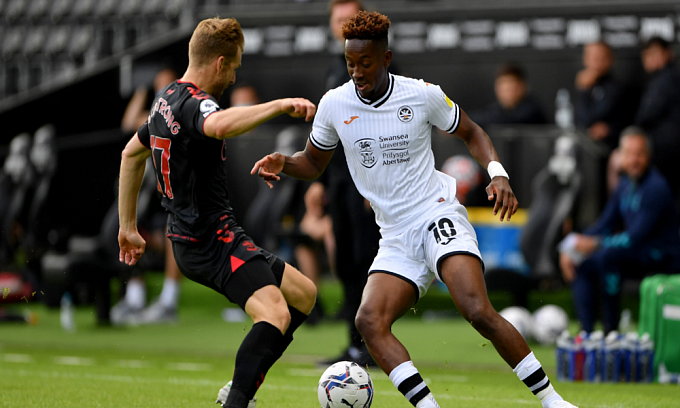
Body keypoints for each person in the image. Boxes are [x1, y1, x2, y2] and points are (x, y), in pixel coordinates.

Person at [252, 11, 577, 408]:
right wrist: (284, 162)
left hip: (436, 215)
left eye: (365, 62)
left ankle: (552, 400)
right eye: (350, 62)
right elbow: (313, 162)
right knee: (368, 321)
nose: (356, 72)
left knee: (476, 309)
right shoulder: (334, 103)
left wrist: (498, 173)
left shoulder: (421, 94)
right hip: (395, 235)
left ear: (386, 59)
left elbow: (472, 131)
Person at [117, 17, 317, 408]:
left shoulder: (165, 98)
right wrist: (279, 105)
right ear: (220, 62)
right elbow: (219, 124)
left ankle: (241, 385)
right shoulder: (196, 102)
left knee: (303, 295)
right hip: (210, 240)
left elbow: (130, 154)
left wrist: (128, 227)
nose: (234, 77)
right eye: (234, 67)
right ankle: (238, 399)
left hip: (198, 237)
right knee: (275, 314)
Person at [559, 127, 680, 334]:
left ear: (648, 156)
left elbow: (635, 237)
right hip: (635, 253)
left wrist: (593, 244)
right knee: (582, 264)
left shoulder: (656, 187)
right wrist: (570, 246)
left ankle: (611, 332)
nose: (634, 160)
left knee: (609, 256)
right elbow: (605, 223)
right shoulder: (624, 184)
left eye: (639, 154)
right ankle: (587, 335)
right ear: (620, 156)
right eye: (629, 154)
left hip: (662, 256)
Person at [316, 0, 380, 366]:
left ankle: (373, 344)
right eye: (338, 18)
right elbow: (327, 131)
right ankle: (355, 345)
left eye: (349, 18)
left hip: (365, 185)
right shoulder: (333, 67)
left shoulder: (379, 64)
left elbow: (384, 125)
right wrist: (319, 183)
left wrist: (374, 180)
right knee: (345, 264)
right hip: (338, 181)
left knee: (367, 262)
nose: (342, 24)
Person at [115, 67, 183, 325]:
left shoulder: (182, 109)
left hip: (180, 192)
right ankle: (135, 298)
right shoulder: (155, 113)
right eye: (158, 86)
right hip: (155, 192)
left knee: (173, 230)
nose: (162, 91)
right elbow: (128, 122)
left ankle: (169, 301)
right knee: (129, 228)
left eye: (166, 85)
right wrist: (143, 89)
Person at [634, 36, 680, 199]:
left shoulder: (666, 79)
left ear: (668, 54)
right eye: (646, 54)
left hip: (666, 152)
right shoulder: (660, 79)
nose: (649, 58)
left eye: (654, 53)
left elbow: (645, 115)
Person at [574, 41, 628, 151]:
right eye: (594, 58)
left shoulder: (615, 88)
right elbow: (579, 119)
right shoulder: (585, 86)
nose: (597, 63)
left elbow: (591, 117)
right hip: (584, 148)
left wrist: (585, 89)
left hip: (609, 149)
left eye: (601, 58)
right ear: (585, 59)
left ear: (610, 59)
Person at [468, 63, 547, 128]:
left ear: (523, 87)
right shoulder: (498, 109)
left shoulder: (531, 110)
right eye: (503, 89)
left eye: (510, 89)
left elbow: (508, 121)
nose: (506, 94)